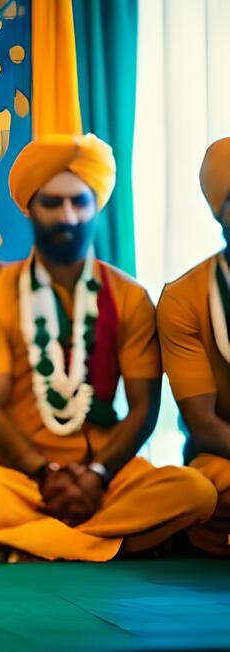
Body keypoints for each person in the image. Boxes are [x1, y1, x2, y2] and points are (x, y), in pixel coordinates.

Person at [0, 133, 216, 561]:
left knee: (195, 490)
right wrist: (45, 474)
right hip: (21, 478)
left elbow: (142, 408)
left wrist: (97, 475)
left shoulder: (128, 297)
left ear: (96, 208)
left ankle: (34, 544)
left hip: (109, 478)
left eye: (80, 203)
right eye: (53, 203)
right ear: (29, 209)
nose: (69, 216)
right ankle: (117, 542)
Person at [156, 136, 230, 557]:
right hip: (223, 459)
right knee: (203, 488)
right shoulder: (185, 297)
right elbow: (203, 424)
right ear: (221, 215)